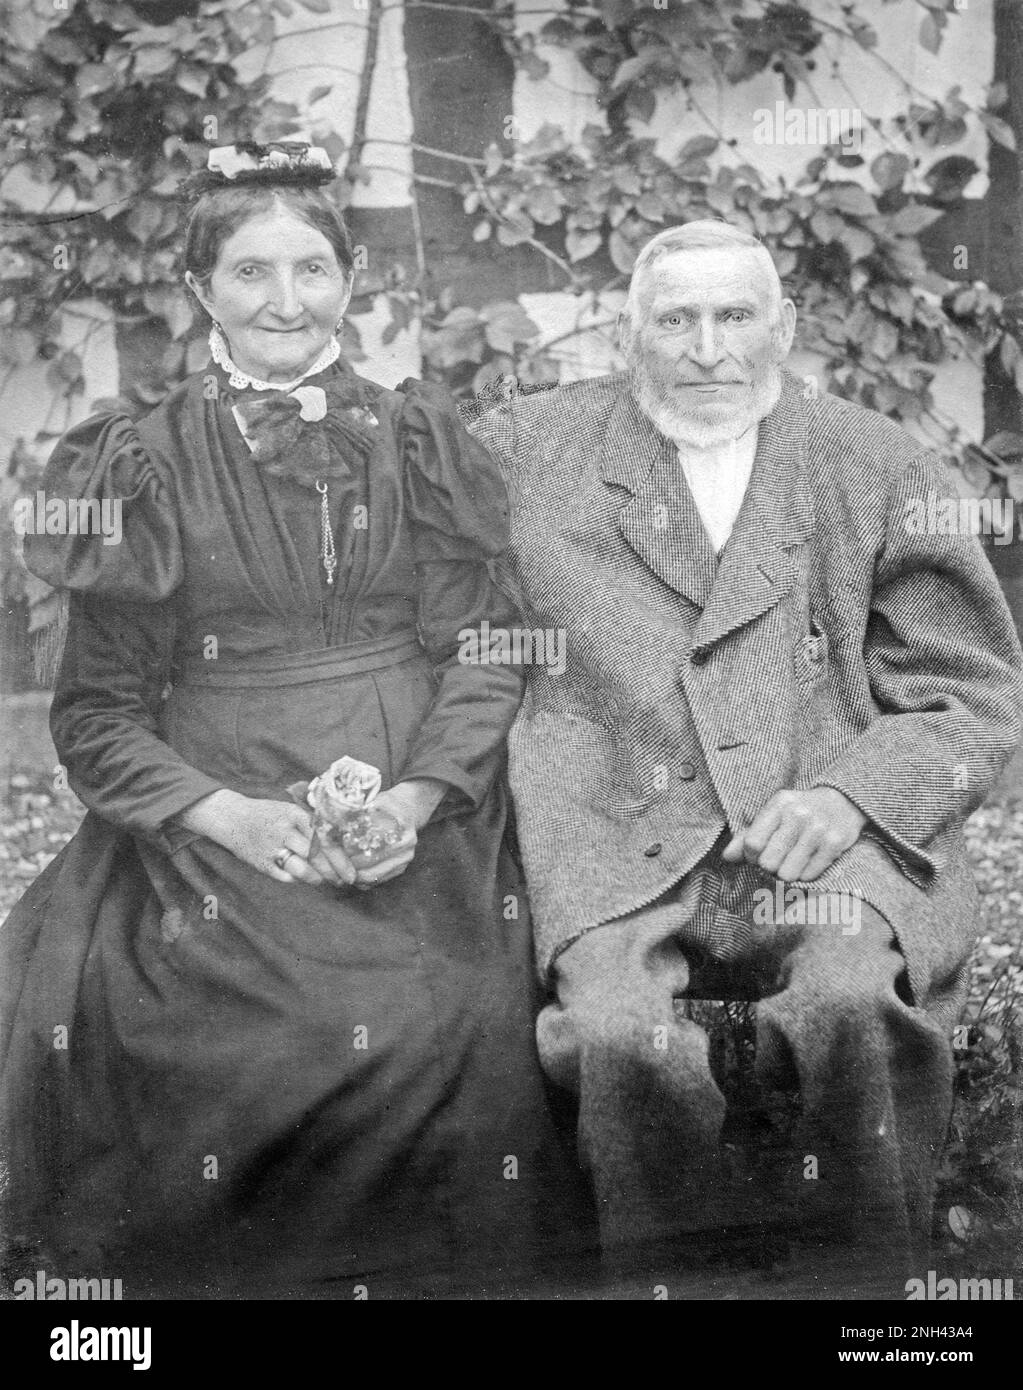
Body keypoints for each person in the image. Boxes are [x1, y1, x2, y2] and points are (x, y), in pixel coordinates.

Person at [0, 143, 585, 1299]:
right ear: (200, 285)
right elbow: (101, 714)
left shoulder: (418, 432)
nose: (285, 301)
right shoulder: (140, 460)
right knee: (222, 1025)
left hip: (417, 791)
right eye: (252, 272)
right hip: (217, 800)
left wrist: (419, 799)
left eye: (311, 269)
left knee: (454, 1019)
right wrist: (231, 820)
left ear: (351, 278)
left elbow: (484, 646)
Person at [468, 220, 1023, 1291]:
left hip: (822, 848)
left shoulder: (877, 462)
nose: (708, 348)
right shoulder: (528, 451)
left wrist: (855, 795)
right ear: (631, 336)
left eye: (735, 317)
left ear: (786, 327)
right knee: (619, 1038)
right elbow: (416, 592)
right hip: (619, 837)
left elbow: (974, 695)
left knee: (849, 1005)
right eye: (676, 320)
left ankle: (865, 1301)